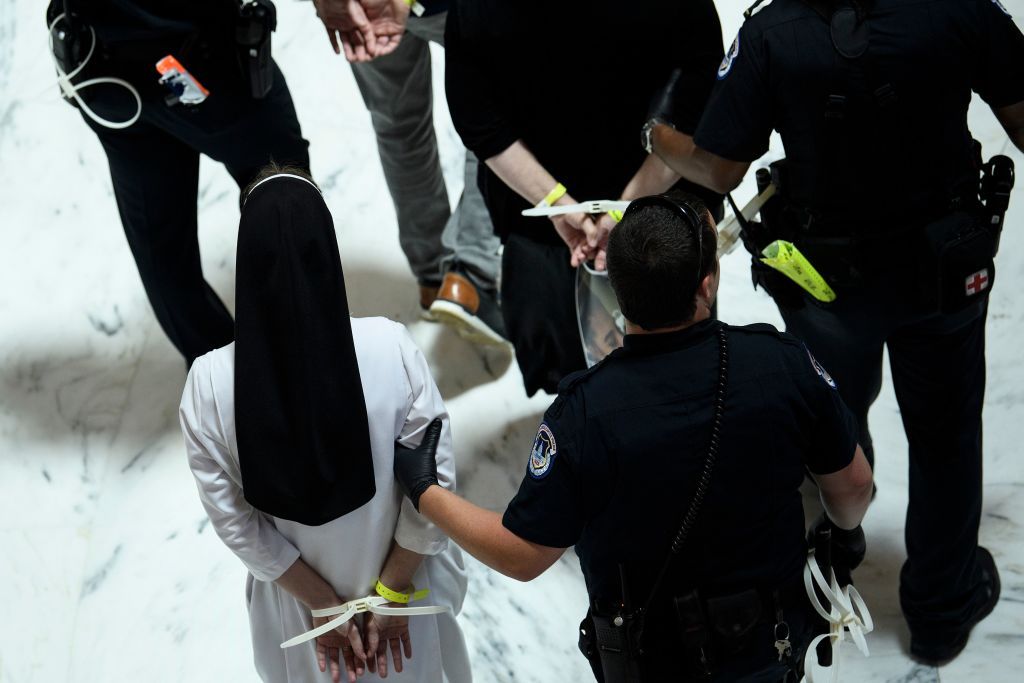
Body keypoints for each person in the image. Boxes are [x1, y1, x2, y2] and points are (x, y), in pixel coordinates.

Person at [650, 0, 1024, 663]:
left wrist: (654, 137)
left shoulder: (771, 32)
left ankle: (831, 566)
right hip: (943, 272)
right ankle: (941, 612)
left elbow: (719, 168)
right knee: (946, 435)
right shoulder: (961, 10)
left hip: (827, 285)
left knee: (830, 425)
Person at [392, 192, 874, 681]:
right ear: (706, 285)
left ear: (618, 297)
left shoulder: (583, 412)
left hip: (655, 662)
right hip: (770, 646)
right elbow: (853, 487)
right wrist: (843, 532)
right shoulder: (782, 362)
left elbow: (522, 554)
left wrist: (424, 490)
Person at [179, 169, 470, 683]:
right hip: (405, 597)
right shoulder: (391, 346)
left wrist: (323, 604)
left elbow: (234, 521)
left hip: (302, 612)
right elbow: (436, 479)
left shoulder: (207, 384)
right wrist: (392, 590)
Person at [444, 0, 726, 395]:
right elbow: (699, 94)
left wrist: (561, 204)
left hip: (601, 210)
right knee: (666, 370)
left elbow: (477, 115)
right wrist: (619, 203)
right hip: (639, 201)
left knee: (666, 365)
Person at [46, 0, 310, 366]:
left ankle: (222, 376)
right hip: (210, 61)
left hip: (105, 72)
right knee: (287, 197)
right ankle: (299, 360)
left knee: (161, 247)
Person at [312, 0, 507, 346]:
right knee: (501, 107)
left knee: (400, 129)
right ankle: (471, 275)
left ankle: (433, 277)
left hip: (357, 8)